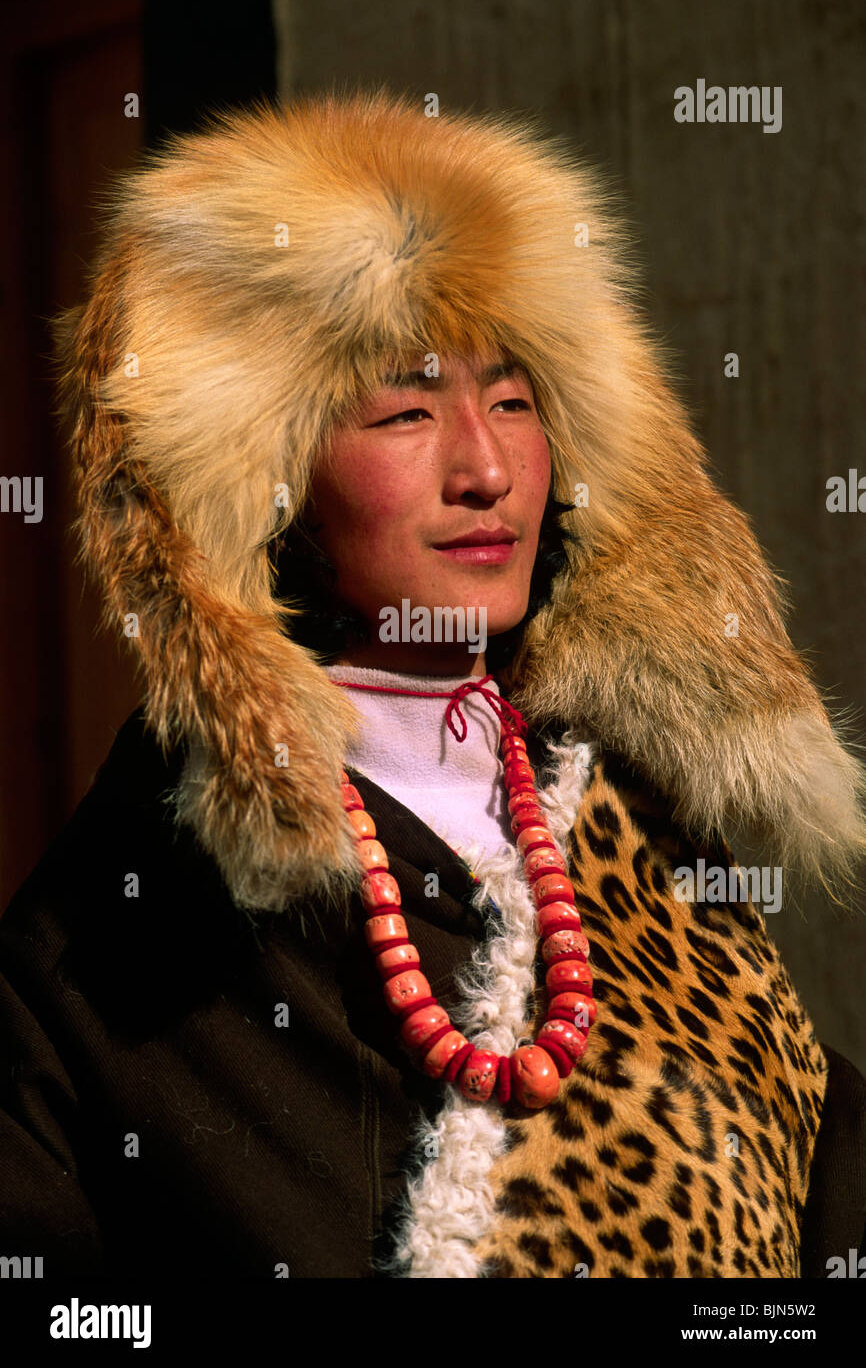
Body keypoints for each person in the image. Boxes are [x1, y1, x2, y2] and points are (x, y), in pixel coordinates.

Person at [1, 86, 865, 1280]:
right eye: (404, 407)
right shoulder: (107, 945)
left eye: (514, 398)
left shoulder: (645, 823)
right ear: (268, 479)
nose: (486, 467)